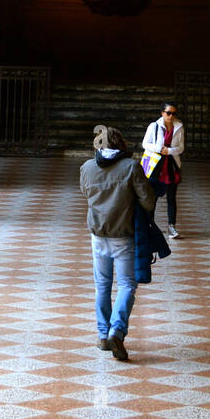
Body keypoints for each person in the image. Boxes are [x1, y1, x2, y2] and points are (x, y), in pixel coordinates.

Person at [79, 125, 156, 363]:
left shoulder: (87, 167)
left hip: (98, 234)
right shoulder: (131, 167)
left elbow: (85, 192)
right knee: (126, 285)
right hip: (123, 235)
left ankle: (103, 335)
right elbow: (148, 201)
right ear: (120, 143)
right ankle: (117, 330)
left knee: (102, 285)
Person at [141, 101, 185, 239]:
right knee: (152, 198)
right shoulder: (154, 126)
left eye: (173, 113)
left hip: (171, 166)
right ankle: (150, 226)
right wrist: (159, 149)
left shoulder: (179, 127)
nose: (171, 116)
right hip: (155, 166)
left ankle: (172, 227)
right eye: (168, 113)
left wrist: (170, 151)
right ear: (162, 113)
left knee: (171, 198)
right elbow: (145, 143)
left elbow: (181, 148)